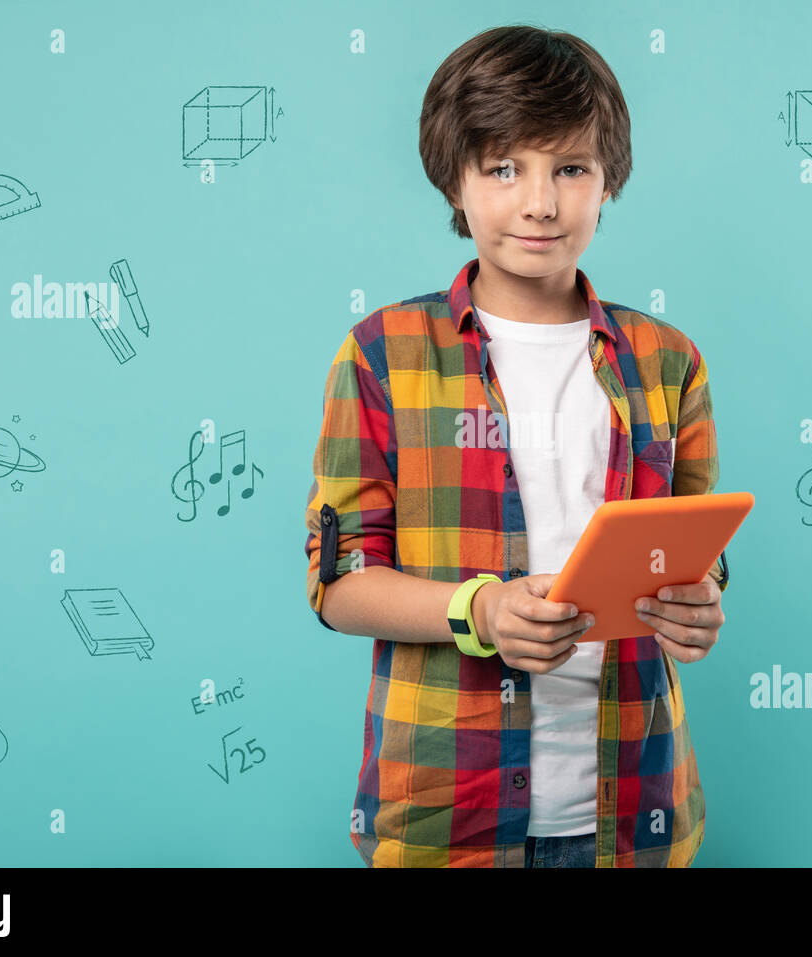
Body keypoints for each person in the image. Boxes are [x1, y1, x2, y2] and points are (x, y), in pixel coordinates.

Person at [303, 24, 729, 868]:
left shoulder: (668, 360)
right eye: (504, 168)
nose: (541, 202)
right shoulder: (381, 352)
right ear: (455, 183)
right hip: (443, 815)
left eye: (571, 168)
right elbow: (338, 583)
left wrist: (700, 600)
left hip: (633, 809)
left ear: (608, 182)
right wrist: (481, 611)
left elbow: (695, 553)